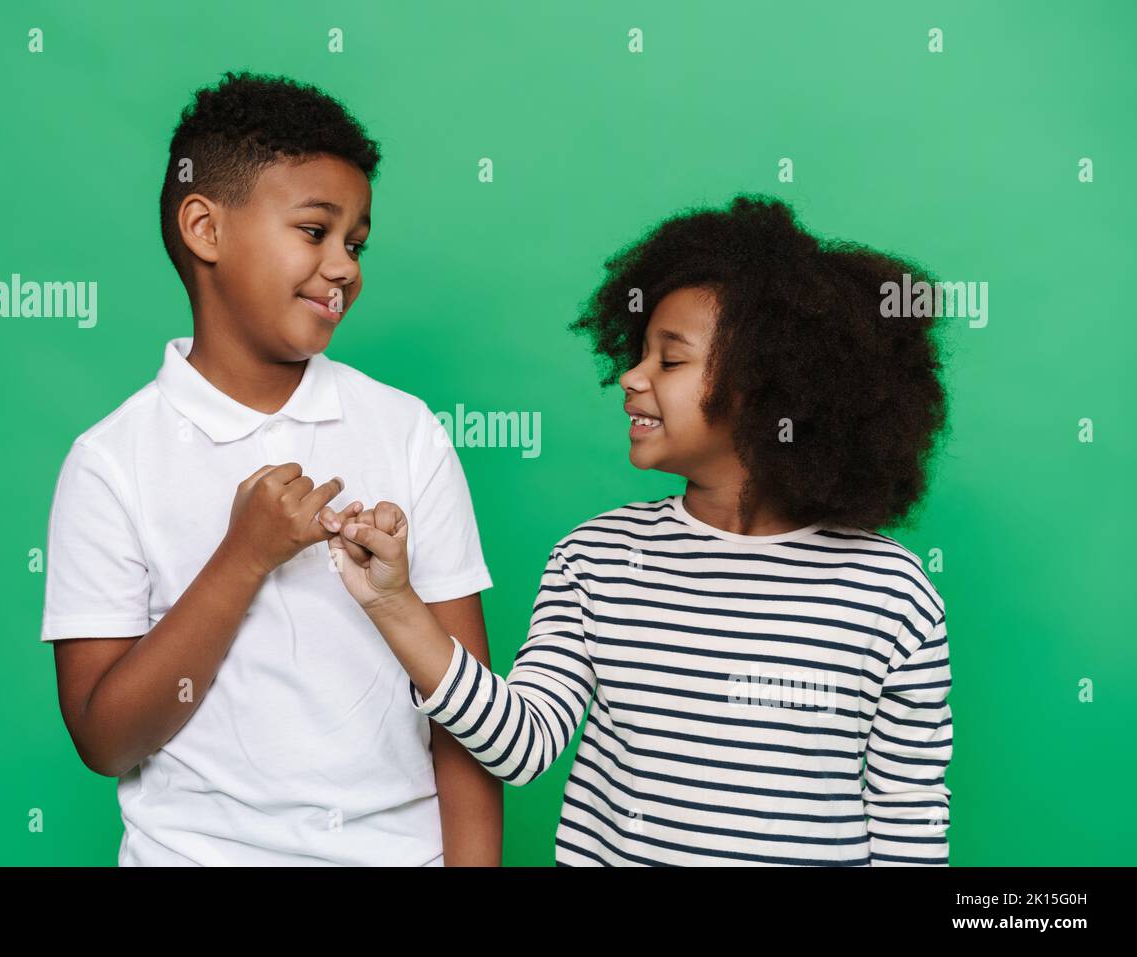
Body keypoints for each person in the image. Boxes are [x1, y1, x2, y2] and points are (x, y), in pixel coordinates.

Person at [323, 195, 954, 865]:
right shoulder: (595, 559)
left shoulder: (891, 592)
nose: (630, 377)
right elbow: (521, 743)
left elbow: (908, 820)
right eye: (639, 352)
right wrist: (394, 603)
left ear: (770, 389)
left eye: (670, 360)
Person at [40, 71, 500, 866]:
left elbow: (466, 716)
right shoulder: (111, 462)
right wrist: (243, 556)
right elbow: (105, 738)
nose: (345, 266)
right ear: (205, 228)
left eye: (355, 243)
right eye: (315, 231)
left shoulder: (406, 432)